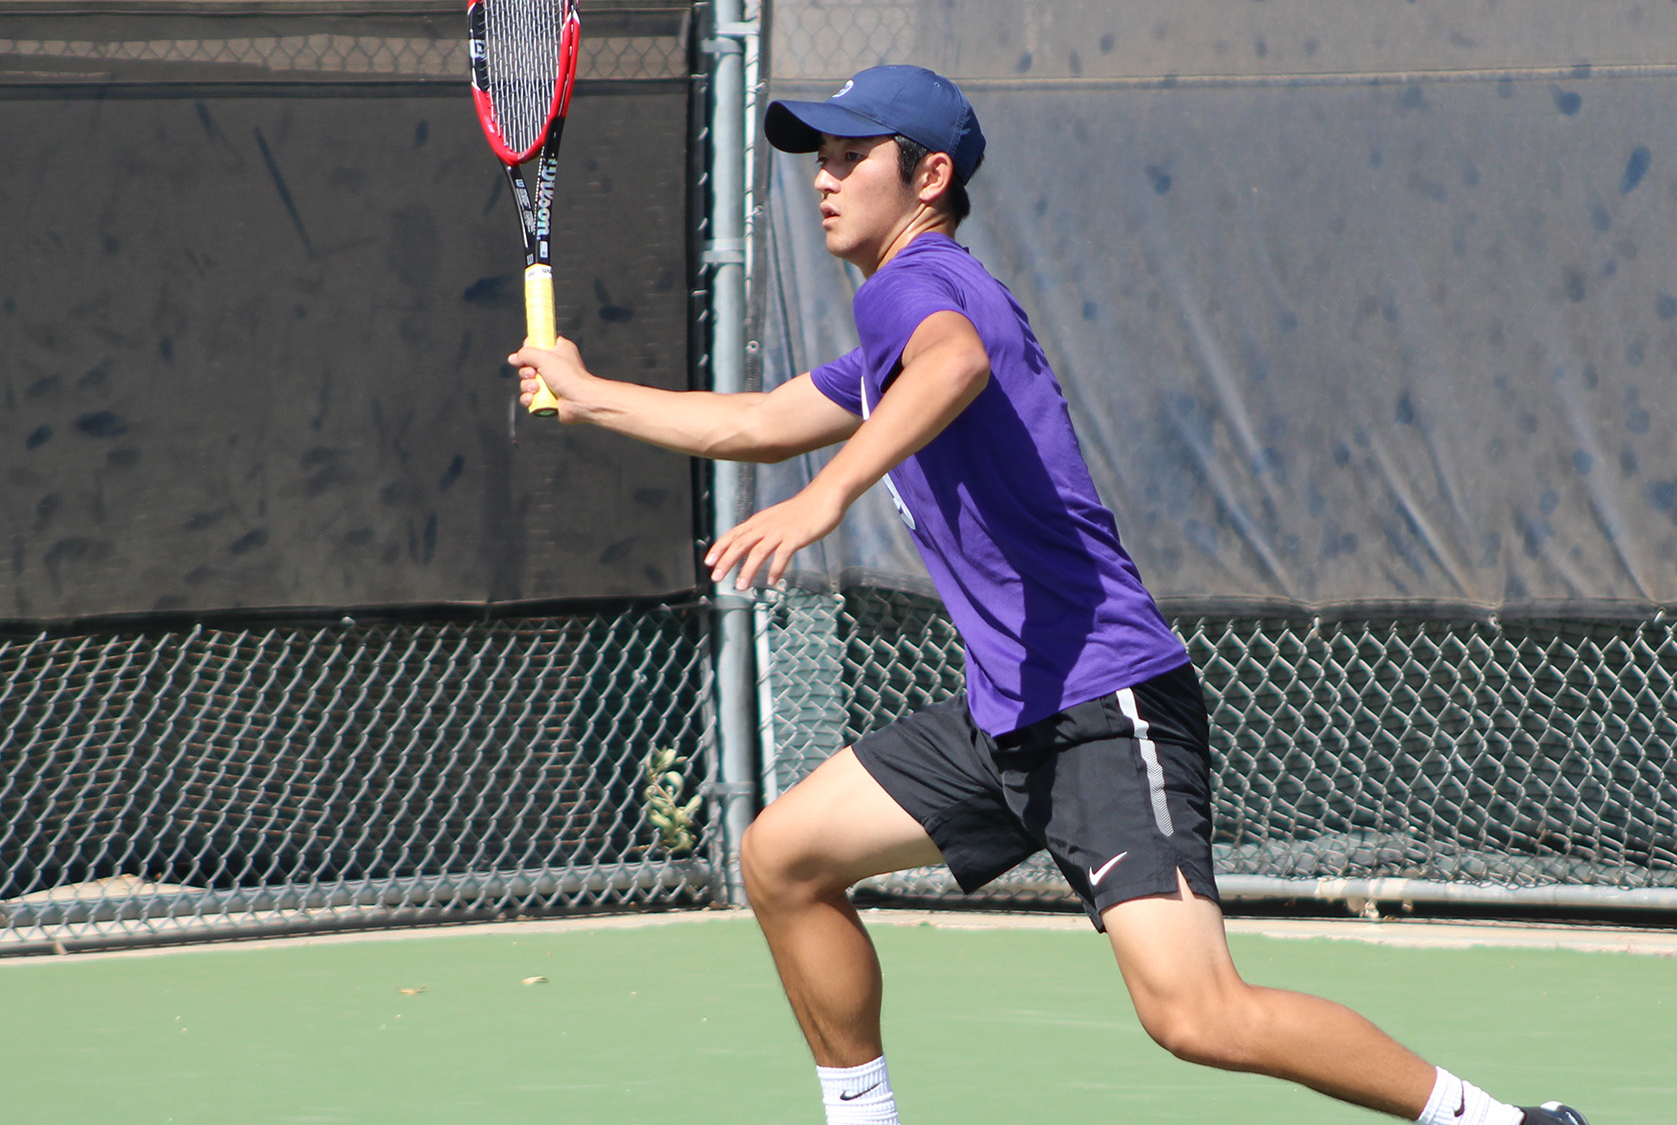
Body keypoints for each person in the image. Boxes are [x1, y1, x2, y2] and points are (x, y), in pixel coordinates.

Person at [509, 64, 1589, 1125]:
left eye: (852, 158)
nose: (824, 180)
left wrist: (824, 497)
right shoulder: (895, 319)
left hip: (1098, 706)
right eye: (819, 160)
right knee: (783, 858)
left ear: (927, 177)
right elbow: (753, 422)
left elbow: (952, 368)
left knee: (1198, 1016)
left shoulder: (916, 289)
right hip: (1006, 714)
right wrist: (587, 389)